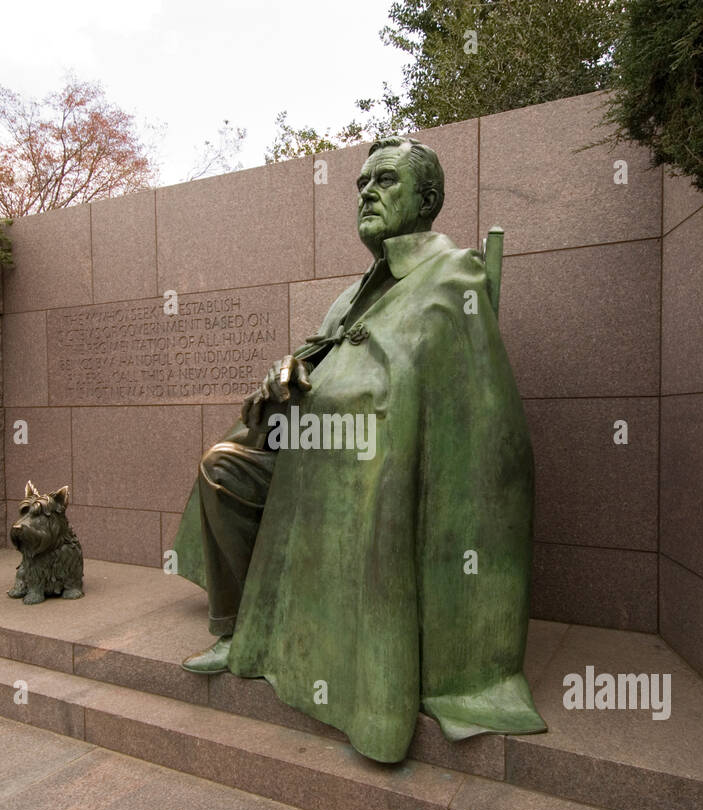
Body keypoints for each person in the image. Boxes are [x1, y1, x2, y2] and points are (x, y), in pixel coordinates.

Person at [170, 136, 546, 763]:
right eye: (362, 182)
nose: (367, 190)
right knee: (223, 470)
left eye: (386, 180)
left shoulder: (456, 276)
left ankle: (363, 675)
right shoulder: (350, 295)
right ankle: (238, 627)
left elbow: (465, 413)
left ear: (427, 199)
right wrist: (282, 382)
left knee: (367, 472)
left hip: (382, 467)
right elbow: (318, 359)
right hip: (309, 453)